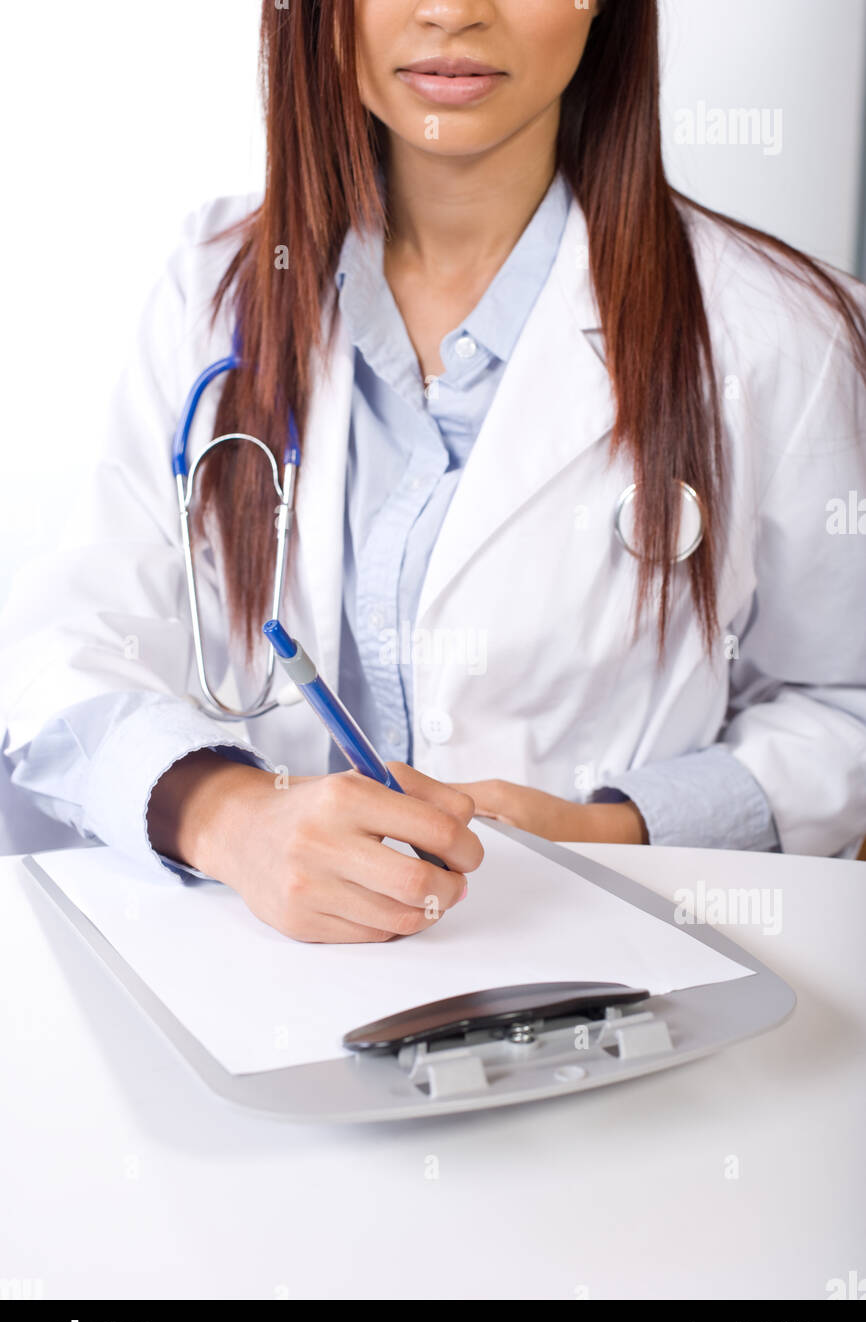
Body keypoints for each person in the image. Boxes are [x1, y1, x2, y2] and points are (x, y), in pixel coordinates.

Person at [2, 0, 865, 943]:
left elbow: (847, 704)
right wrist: (231, 818)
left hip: (603, 975)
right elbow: (68, 641)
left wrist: (609, 830)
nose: (452, 11)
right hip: (251, 988)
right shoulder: (209, 289)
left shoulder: (783, 332)